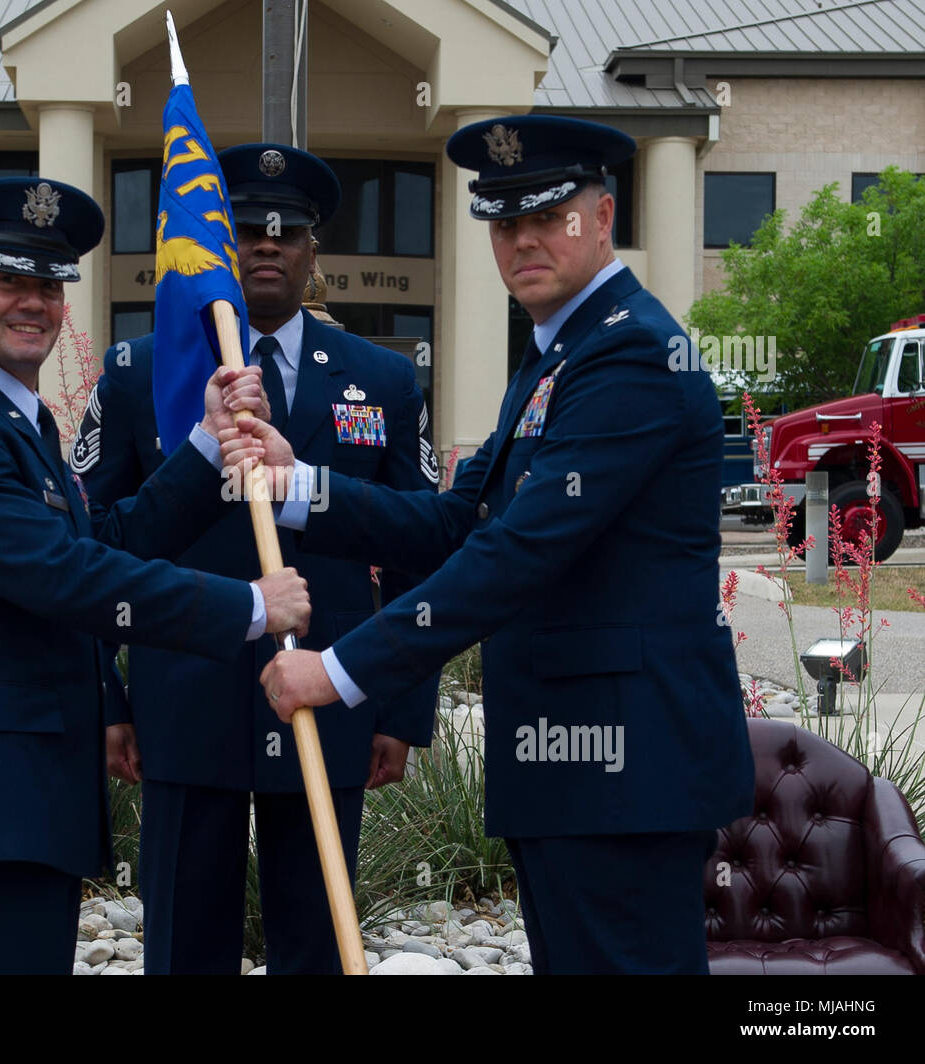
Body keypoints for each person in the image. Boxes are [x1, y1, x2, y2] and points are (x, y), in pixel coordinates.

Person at [224, 116, 756, 975]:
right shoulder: (556, 355)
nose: (523, 241)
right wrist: (298, 486)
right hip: (572, 771)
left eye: (548, 217)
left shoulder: (632, 354)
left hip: (625, 770)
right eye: (505, 223)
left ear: (603, 216)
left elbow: (518, 552)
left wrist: (339, 672)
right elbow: (450, 524)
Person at [0, 176, 311, 975]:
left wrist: (207, 446)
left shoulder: (11, 418)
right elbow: (67, 575)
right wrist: (245, 605)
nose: (33, 302)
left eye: (49, 285)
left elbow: (106, 535)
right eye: (8, 281)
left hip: (20, 806)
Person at [72, 144, 441, 974]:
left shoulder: (381, 378)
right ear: (217, 245)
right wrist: (108, 700)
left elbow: (420, 542)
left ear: (315, 253)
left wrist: (399, 708)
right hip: (181, 694)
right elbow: (88, 552)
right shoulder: (141, 374)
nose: (266, 246)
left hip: (328, 690)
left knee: (316, 937)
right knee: (182, 940)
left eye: (288, 234)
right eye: (246, 230)